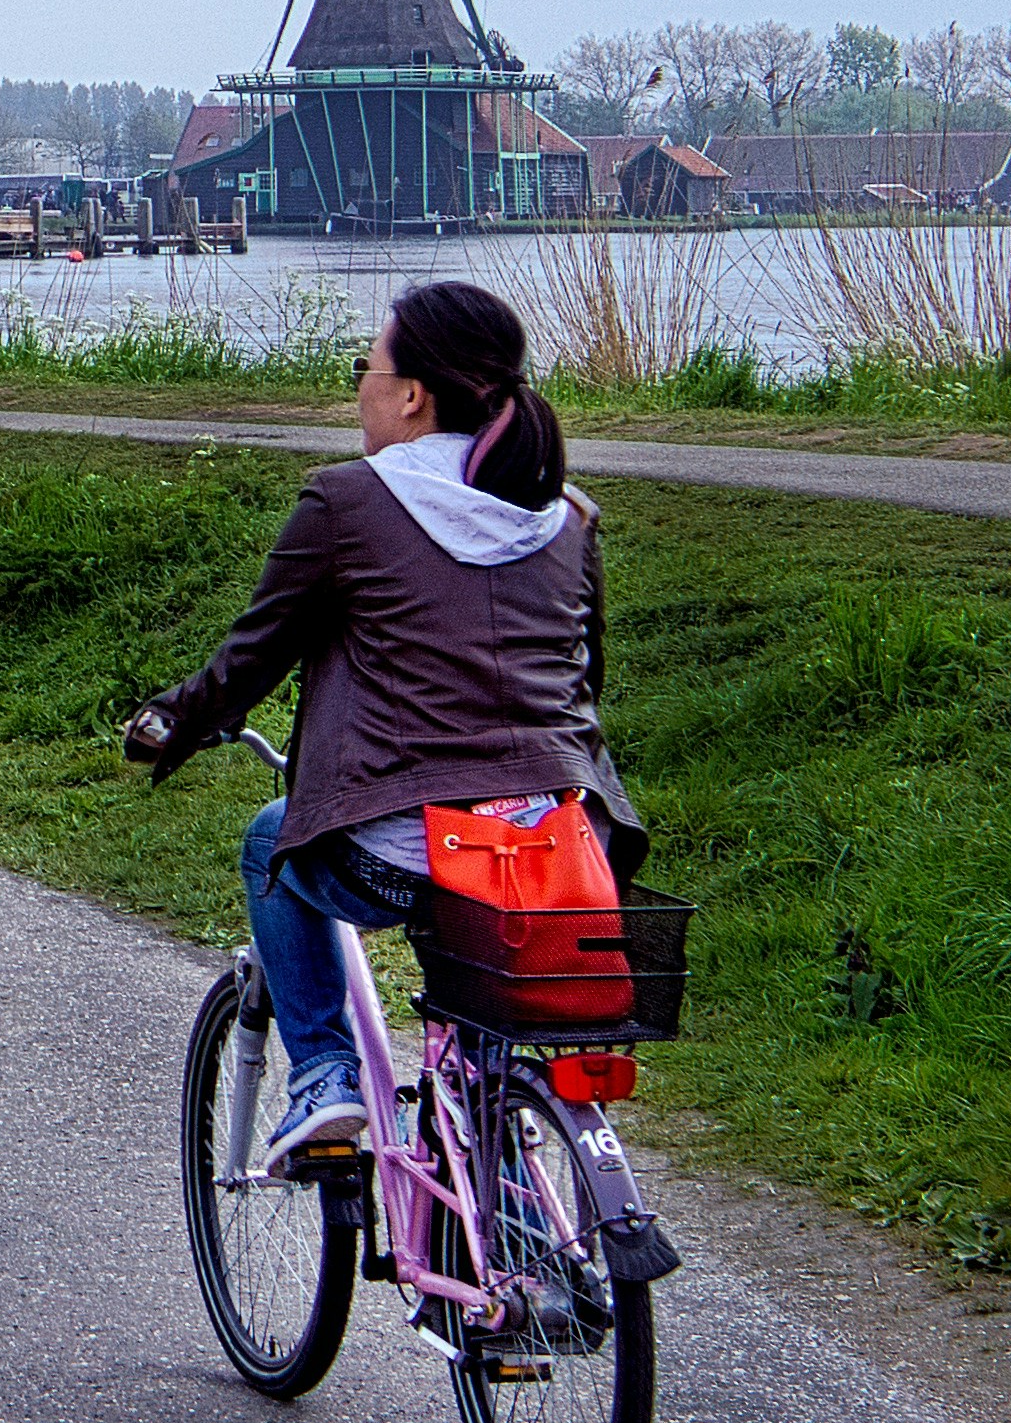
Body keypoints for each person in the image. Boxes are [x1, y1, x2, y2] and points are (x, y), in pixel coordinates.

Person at [120, 277, 633, 1173]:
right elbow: (582, 677)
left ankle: (323, 1078)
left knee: (271, 841)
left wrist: (174, 721)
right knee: (478, 1029)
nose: (358, 385)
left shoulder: (347, 502)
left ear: (410, 395)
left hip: (409, 848)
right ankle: (515, 1238)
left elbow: (254, 655)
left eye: (366, 366)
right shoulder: (567, 517)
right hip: (559, 845)